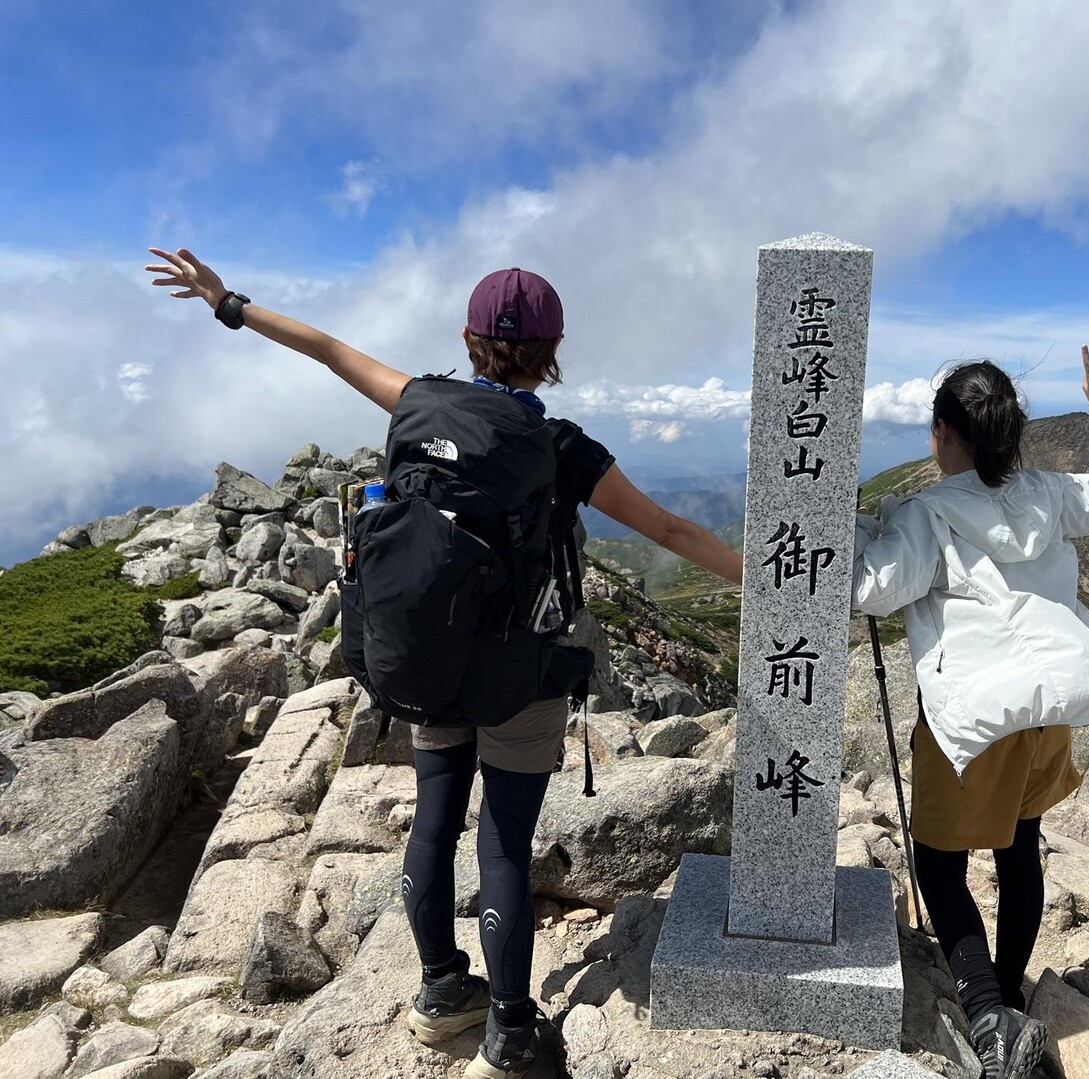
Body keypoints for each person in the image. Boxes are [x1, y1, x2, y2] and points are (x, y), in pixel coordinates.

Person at [145, 247, 743, 1079]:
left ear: (469, 338)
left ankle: (438, 992)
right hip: (514, 677)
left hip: (424, 660)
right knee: (502, 847)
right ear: (552, 350)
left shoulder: (415, 399)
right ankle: (507, 1029)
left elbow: (324, 347)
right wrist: (771, 580)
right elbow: (672, 532)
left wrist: (226, 302)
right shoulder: (559, 444)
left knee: (432, 825)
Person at [851, 343, 1089, 1079]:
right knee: (1018, 848)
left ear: (942, 434)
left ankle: (988, 1018)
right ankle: (1010, 994)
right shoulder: (1048, 494)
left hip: (974, 717)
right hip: (1045, 709)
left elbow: (870, 589)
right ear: (1012, 434)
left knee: (939, 863)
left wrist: (858, 526)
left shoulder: (929, 514)